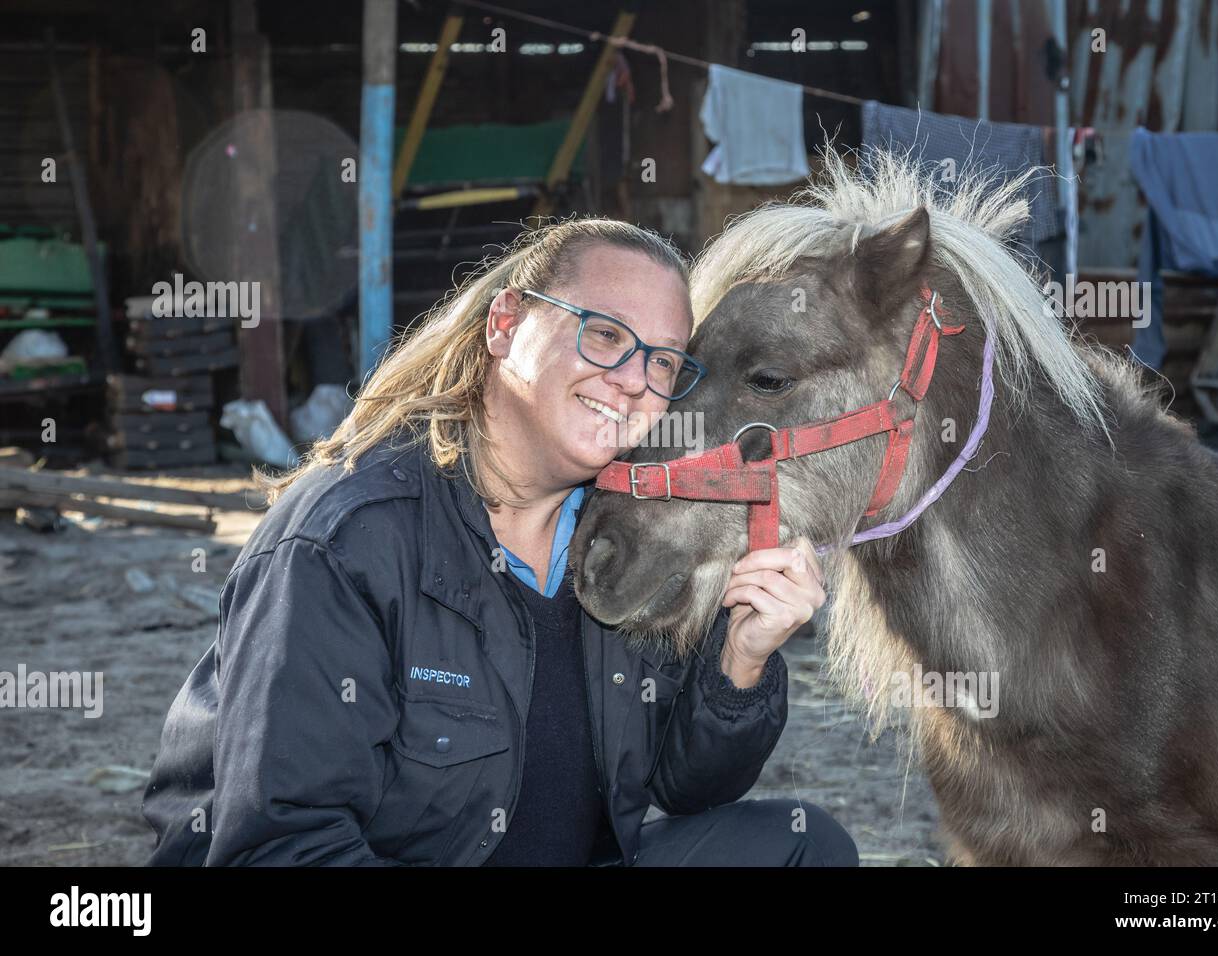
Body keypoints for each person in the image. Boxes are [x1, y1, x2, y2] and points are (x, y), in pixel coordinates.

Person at [142, 218, 859, 867]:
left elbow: (682, 787)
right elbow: (281, 847)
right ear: (505, 326)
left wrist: (742, 657)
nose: (636, 381)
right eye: (605, 334)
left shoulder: (615, 533)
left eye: (665, 361)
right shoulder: (347, 538)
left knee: (804, 848)